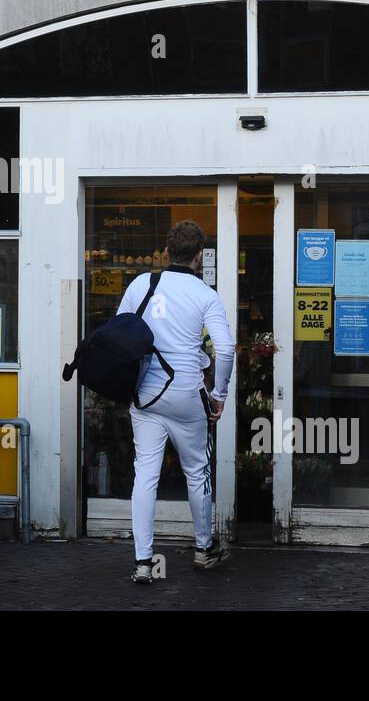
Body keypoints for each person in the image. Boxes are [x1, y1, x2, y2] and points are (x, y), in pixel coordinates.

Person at [117, 220, 234, 584]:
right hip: (186, 394)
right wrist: (219, 394)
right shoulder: (205, 294)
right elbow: (226, 348)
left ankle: (142, 562)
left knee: (145, 474)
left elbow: (119, 332)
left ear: (167, 252)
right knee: (196, 471)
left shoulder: (141, 284)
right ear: (200, 255)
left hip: (147, 395)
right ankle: (203, 549)